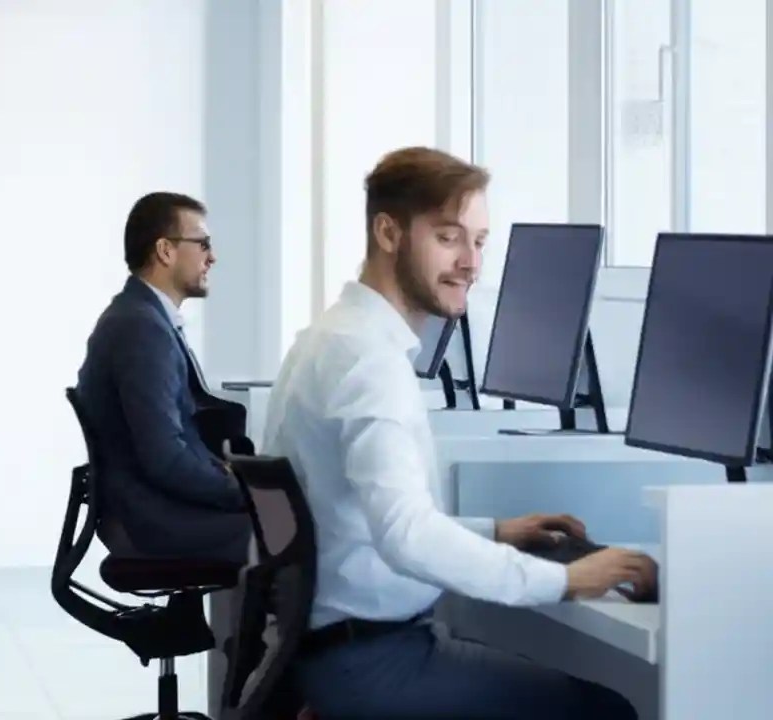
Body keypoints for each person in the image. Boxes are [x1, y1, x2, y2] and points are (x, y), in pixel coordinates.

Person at [263, 147, 655, 719]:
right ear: (389, 232)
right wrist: (564, 579)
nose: (471, 262)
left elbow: (351, 519)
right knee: (607, 713)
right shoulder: (369, 362)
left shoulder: (329, 338)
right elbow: (404, 535)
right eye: (449, 237)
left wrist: (493, 530)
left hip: (339, 651)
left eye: (480, 241)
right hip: (372, 663)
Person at [74, 191, 251, 564]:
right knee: (296, 532)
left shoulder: (139, 317)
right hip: (154, 518)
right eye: (203, 244)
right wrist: (242, 489)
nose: (212, 257)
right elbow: (165, 458)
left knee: (283, 519)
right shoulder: (141, 328)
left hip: (145, 508)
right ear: (165, 251)